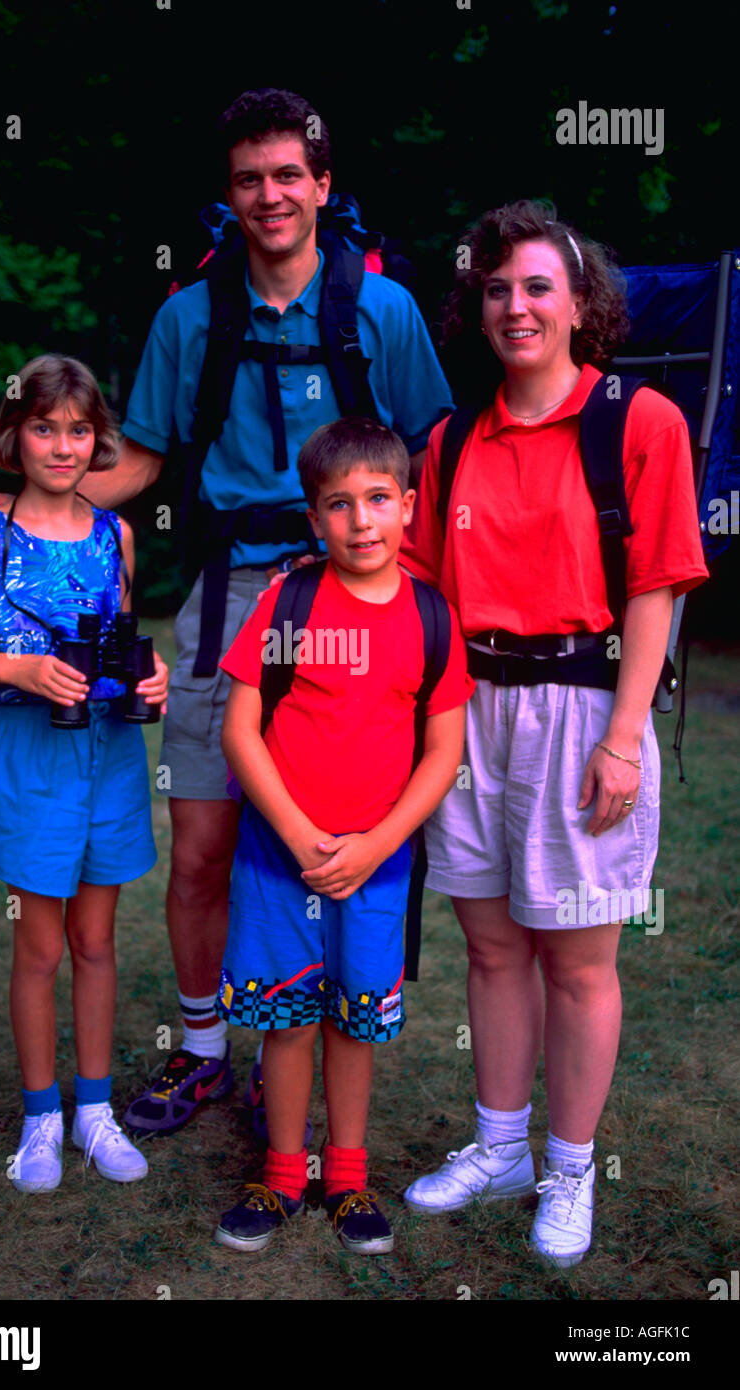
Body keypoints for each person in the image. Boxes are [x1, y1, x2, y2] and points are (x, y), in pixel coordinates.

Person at [0, 89, 454, 1137]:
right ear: (226, 195)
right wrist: (23, 505)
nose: (268, 195)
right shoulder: (191, 314)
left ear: (320, 185)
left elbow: (428, 458)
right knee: (201, 845)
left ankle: (338, 1032)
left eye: (286, 175)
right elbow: (136, 458)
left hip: (353, 602)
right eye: (246, 178)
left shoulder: (383, 308)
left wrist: (429, 598)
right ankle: (202, 1047)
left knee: (348, 833)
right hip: (227, 603)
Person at [398, 200, 708, 1266]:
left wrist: (623, 737)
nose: (515, 305)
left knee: (576, 962)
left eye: (536, 285)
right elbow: (425, 592)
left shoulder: (637, 420)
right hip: (469, 714)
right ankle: (497, 1146)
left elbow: (659, 585)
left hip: (584, 709)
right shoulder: (449, 438)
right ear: (474, 308)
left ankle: (569, 1167)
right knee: (489, 947)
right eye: (495, 288)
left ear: (580, 304)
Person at [211, 417, 473, 1253]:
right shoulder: (286, 603)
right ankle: (283, 1174)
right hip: (277, 858)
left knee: (353, 1020)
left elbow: (443, 754)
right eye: (338, 505)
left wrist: (374, 844)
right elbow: (241, 731)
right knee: (286, 1018)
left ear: (405, 506)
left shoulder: (431, 618)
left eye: (376, 500)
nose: (360, 521)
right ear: (314, 517)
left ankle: (347, 1178)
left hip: (377, 863)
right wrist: (295, 832)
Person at [0, 355, 169, 1194]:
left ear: (98, 440)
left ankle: (93, 1112)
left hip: (111, 755)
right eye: (44, 427)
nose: (62, 446)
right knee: (40, 949)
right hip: (31, 754)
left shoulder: (115, 533)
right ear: (14, 434)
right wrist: (17, 670)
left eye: (78, 431)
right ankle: (40, 1118)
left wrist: (150, 673)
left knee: (97, 942)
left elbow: (118, 638)